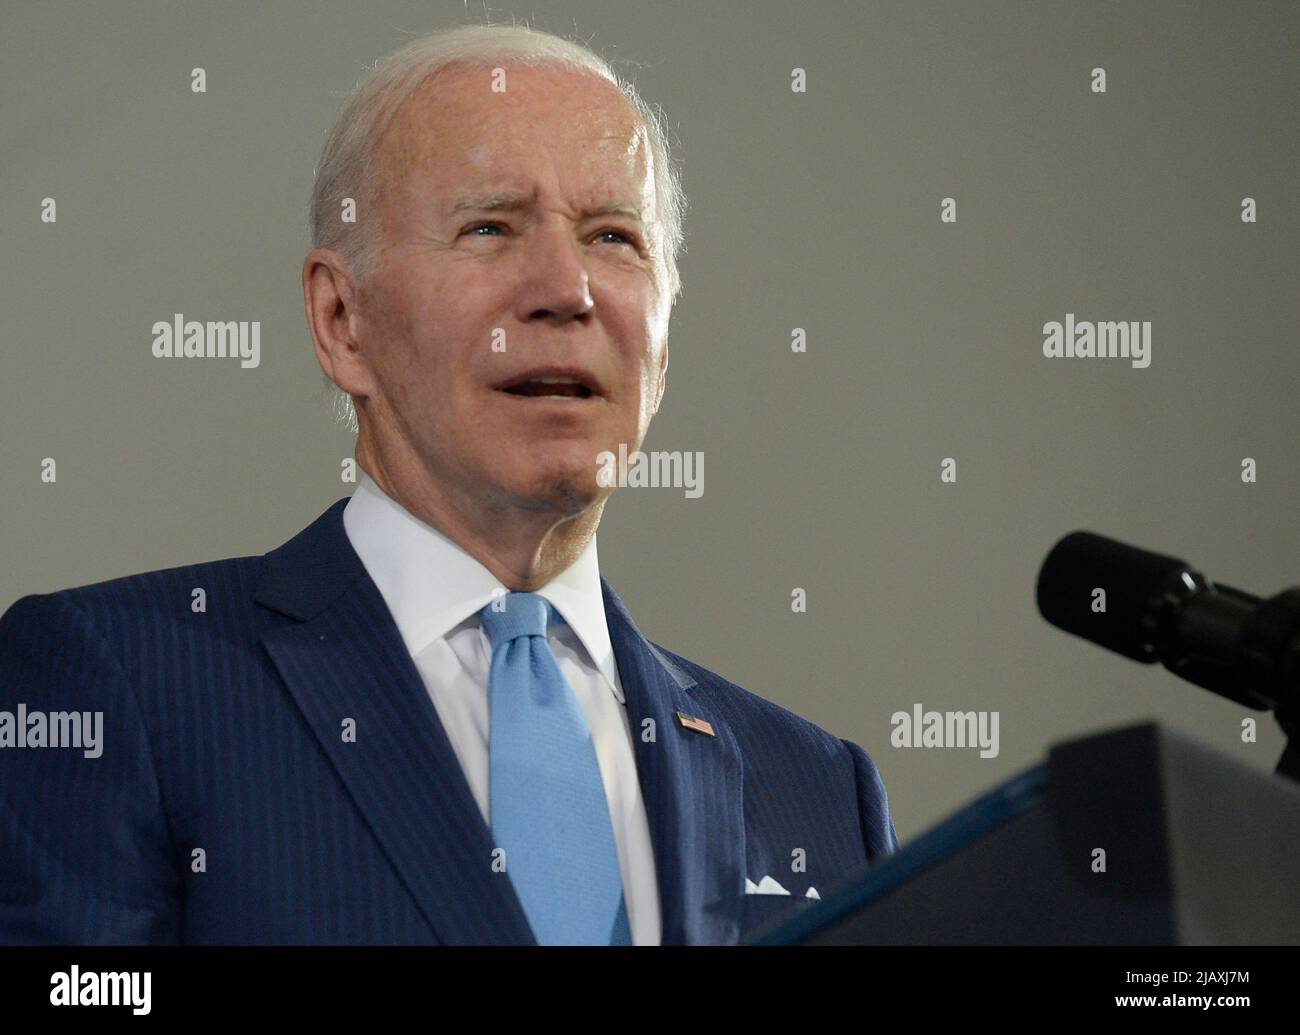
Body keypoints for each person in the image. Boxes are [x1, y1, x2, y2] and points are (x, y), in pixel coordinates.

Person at [0, 23, 898, 946]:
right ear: (342, 319)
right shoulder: (123, 685)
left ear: (662, 347)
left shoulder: (820, 792)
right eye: (489, 227)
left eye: (614, 237)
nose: (566, 288)